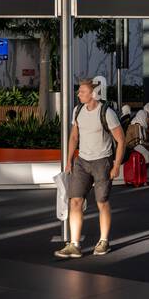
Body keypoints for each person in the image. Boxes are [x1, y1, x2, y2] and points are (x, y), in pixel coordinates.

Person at [55, 79, 125, 259]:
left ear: (94, 94)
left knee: (102, 202)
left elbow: (121, 140)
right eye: (79, 91)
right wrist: (70, 160)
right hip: (82, 161)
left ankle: (103, 241)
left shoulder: (106, 113)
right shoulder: (77, 110)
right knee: (75, 201)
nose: (78, 94)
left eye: (82, 92)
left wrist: (116, 165)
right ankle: (74, 244)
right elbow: (73, 137)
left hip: (102, 162)